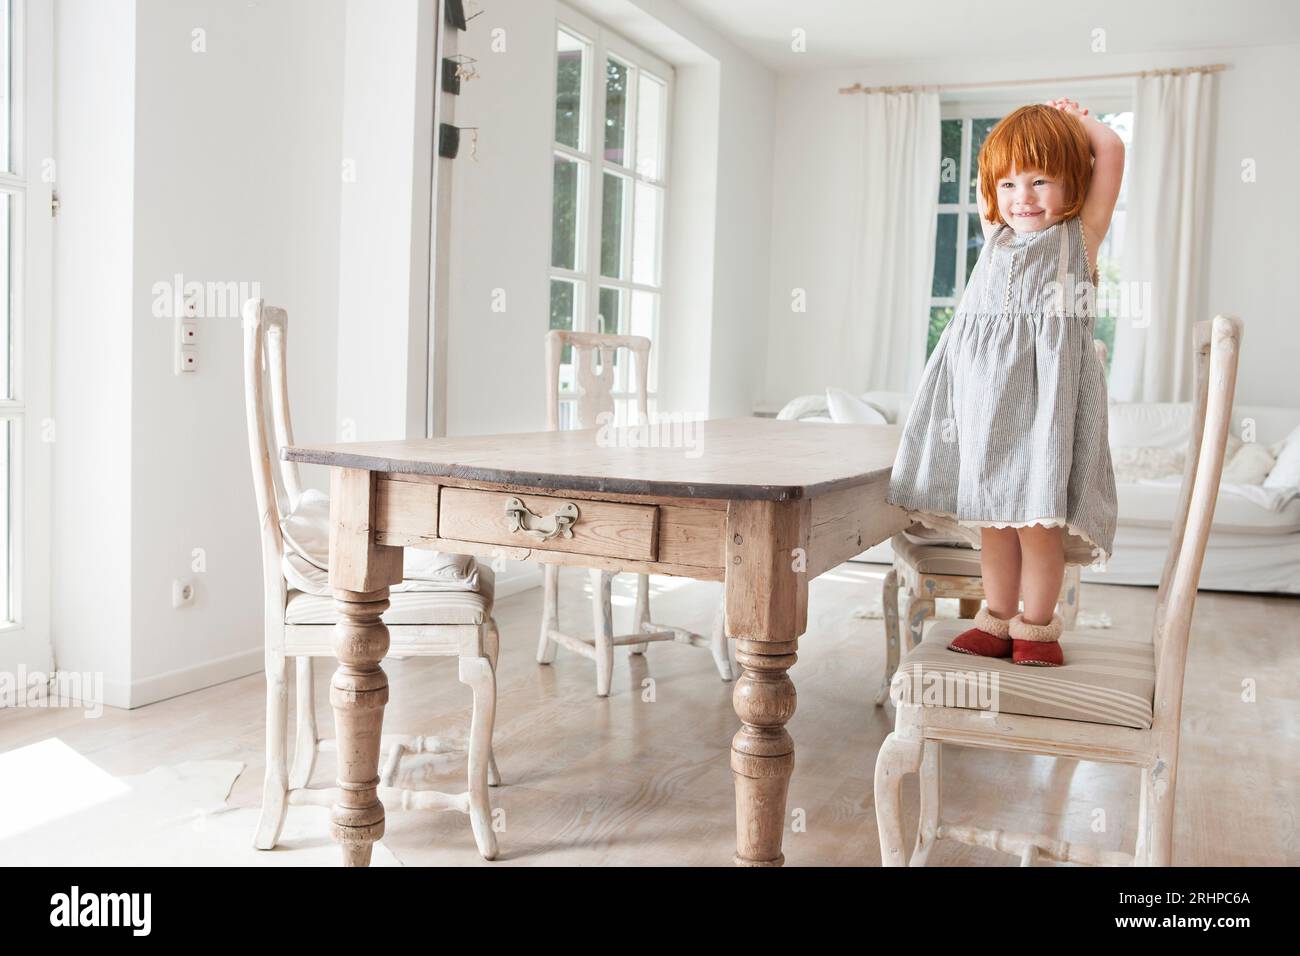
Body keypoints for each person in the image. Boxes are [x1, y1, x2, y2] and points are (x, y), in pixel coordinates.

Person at [885, 99, 1122, 666]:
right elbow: (988, 178)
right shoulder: (995, 234)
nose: (1025, 196)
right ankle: (995, 618)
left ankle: (1037, 629)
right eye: (1011, 183)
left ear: (1075, 184)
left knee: (1038, 523)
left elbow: (1111, 151)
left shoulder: (1079, 238)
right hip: (982, 406)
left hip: (1042, 413)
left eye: (1042, 180)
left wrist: (1079, 124)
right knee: (994, 521)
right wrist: (1003, 163)